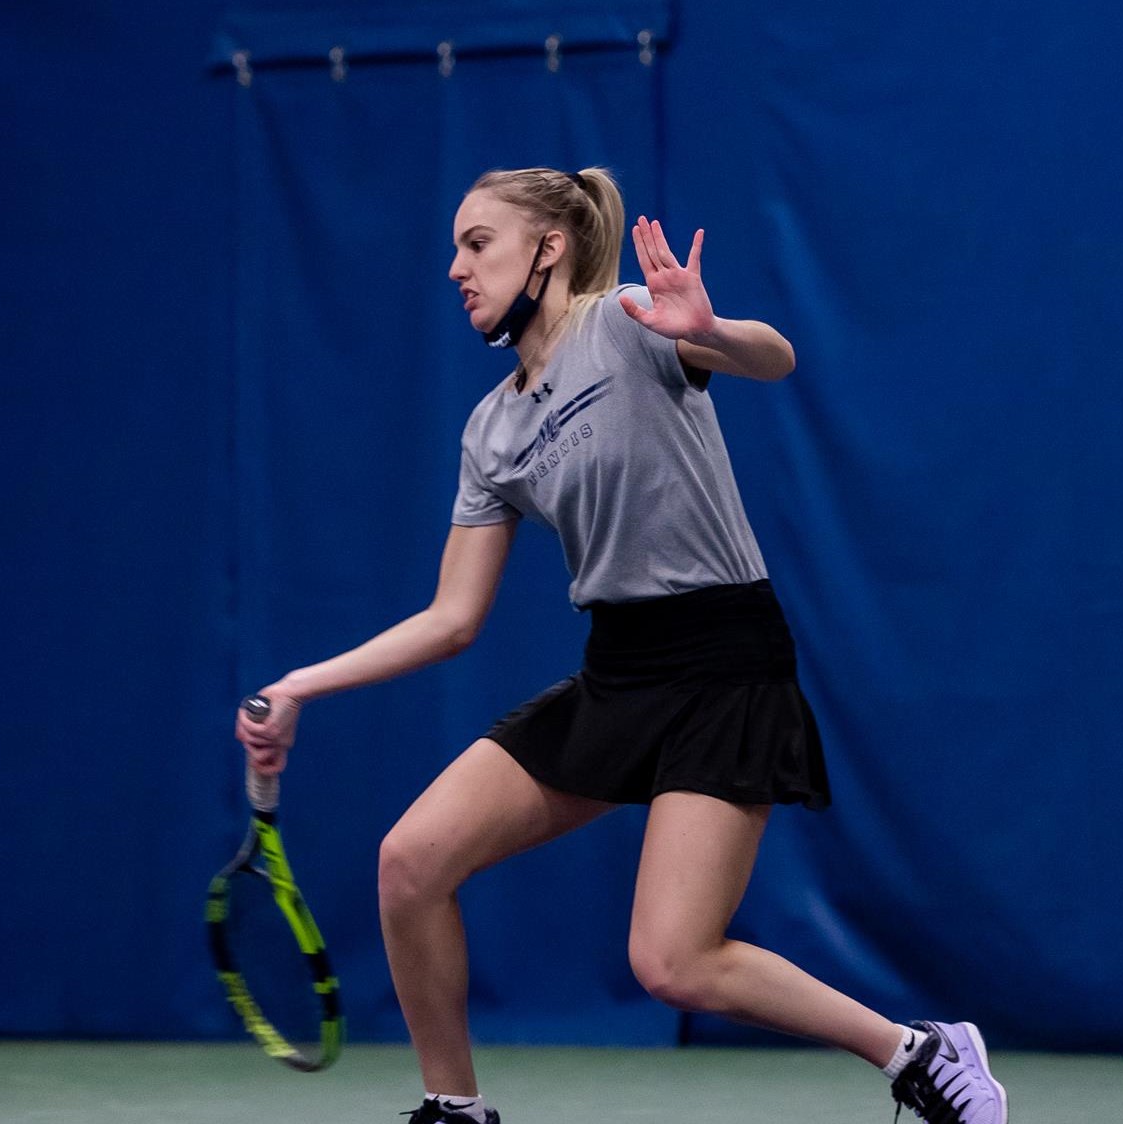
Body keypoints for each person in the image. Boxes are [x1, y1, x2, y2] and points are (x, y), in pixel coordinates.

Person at [234, 166, 1007, 1124]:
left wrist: (711, 331)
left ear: (547, 248)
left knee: (673, 962)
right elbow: (452, 618)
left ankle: (918, 1052)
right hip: (620, 671)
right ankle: (455, 1109)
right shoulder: (491, 430)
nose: (456, 269)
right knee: (411, 863)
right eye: (456, 249)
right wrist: (300, 686)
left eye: (477, 244)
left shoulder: (627, 323)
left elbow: (777, 358)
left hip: (724, 663)